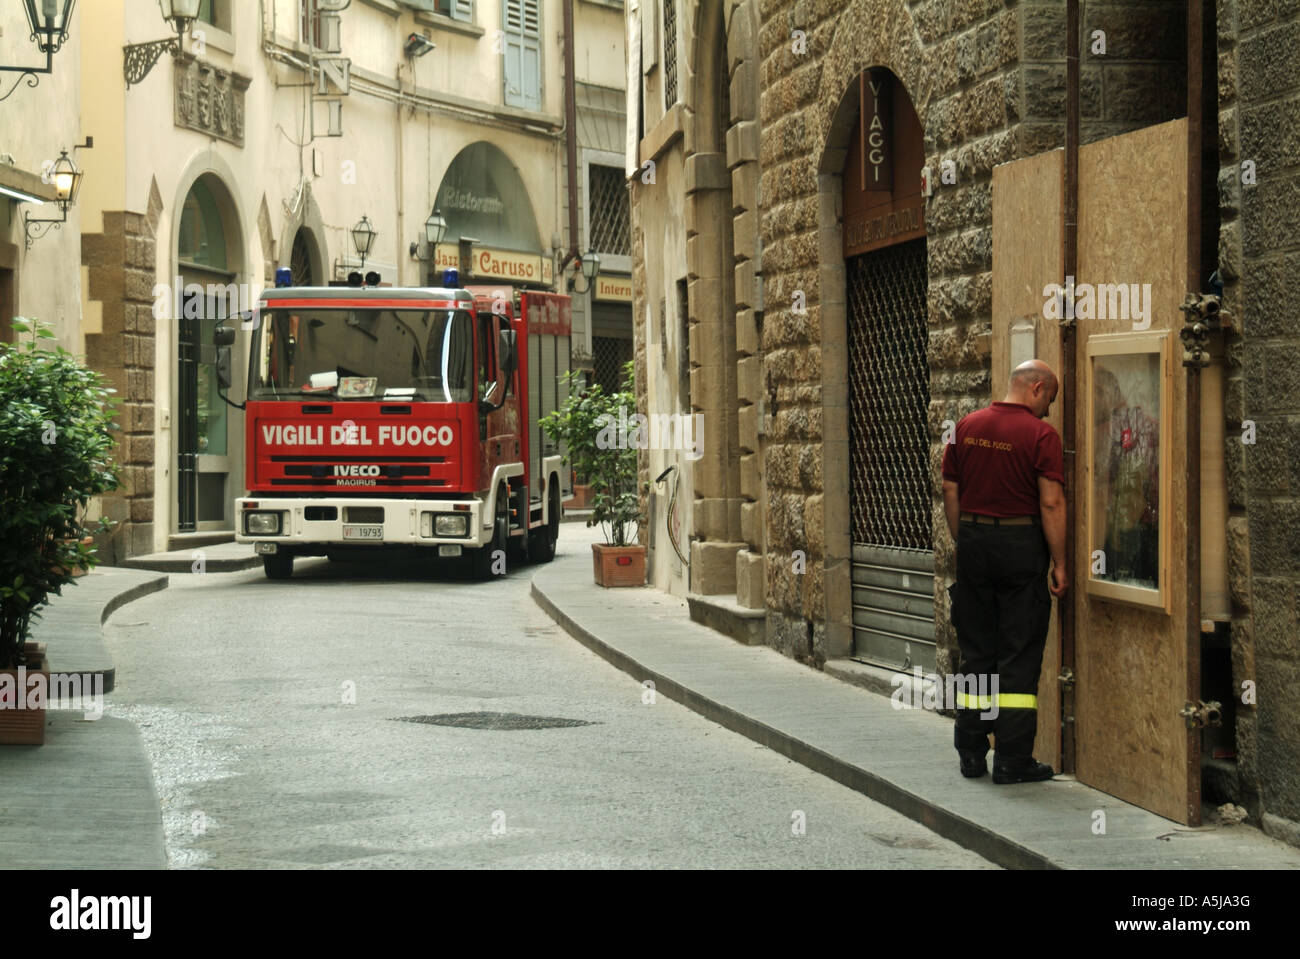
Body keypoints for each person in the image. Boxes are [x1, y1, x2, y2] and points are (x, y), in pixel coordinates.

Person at [940, 359, 1068, 784]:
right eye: (1048, 398)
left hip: (974, 544)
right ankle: (1012, 760)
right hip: (1020, 548)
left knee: (978, 651)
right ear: (1035, 388)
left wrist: (965, 538)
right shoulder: (1041, 436)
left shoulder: (966, 426)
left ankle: (972, 754)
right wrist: (1060, 562)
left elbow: (950, 489)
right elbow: (1051, 503)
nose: (1048, 409)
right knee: (1018, 655)